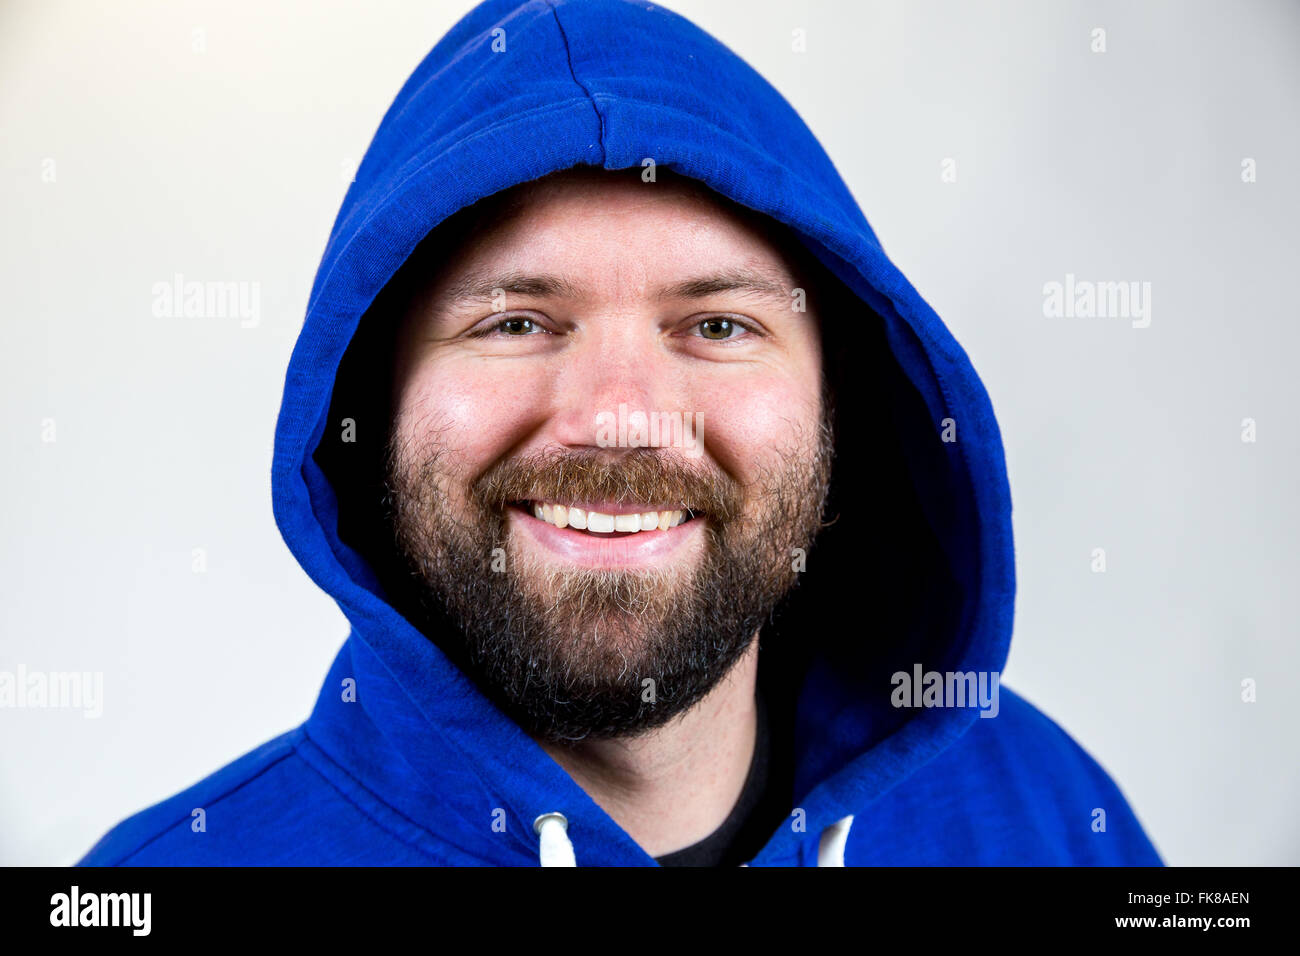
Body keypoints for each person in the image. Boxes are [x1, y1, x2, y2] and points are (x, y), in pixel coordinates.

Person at [79, 0, 1162, 866]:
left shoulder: (1048, 815)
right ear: (371, 406)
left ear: (845, 407)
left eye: (717, 324)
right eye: (514, 321)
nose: (618, 414)